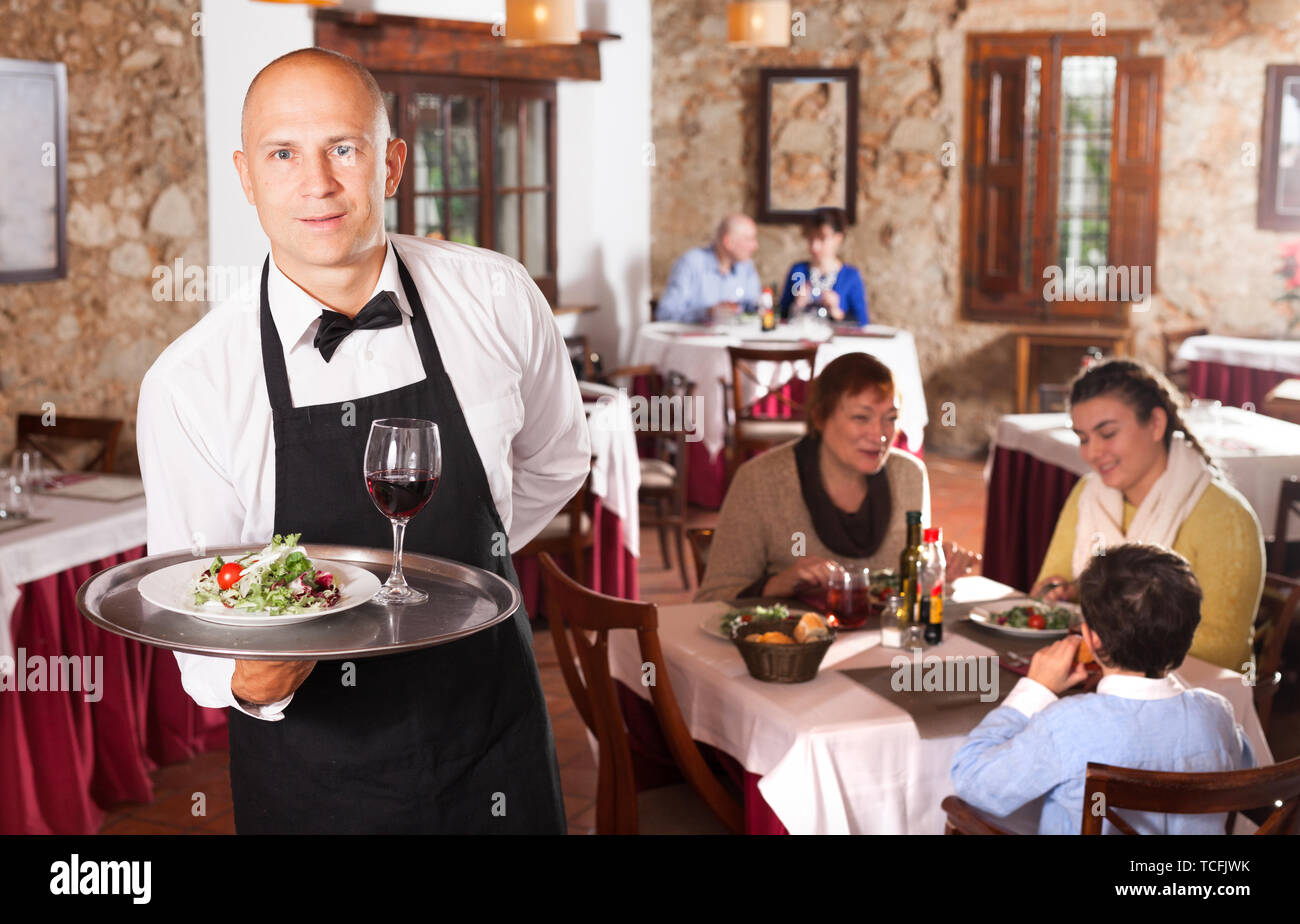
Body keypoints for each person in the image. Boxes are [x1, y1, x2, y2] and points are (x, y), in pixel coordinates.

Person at [135, 48, 590, 833]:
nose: (317, 183)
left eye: (343, 148)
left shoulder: (495, 295)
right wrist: (257, 678)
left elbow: (555, 460)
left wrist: (457, 573)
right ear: (246, 177)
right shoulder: (191, 384)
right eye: (284, 154)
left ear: (391, 164)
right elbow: (196, 623)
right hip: (318, 772)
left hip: (493, 732)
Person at [952, 544, 1256, 835]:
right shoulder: (1218, 714)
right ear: (1189, 633)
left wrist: (1036, 688)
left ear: (1091, 639)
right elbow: (1247, 784)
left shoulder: (1069, 724)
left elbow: (972, 780)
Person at [1030, 359, 1264, 673]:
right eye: (1084, 438)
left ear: (1156, 424)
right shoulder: (1086, 494)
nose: (1092, 453)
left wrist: (1111, 645)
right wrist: (1063, 591)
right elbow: (1045, 598)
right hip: (1103, 678)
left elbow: (1223, 648)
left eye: (1108, 433)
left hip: (1196, 695)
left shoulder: (1227, 517)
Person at [695, 353, 979, 602]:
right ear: (820, 417)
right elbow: (712, 599)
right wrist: (773, 585)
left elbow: (909, 587)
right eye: (861, 417)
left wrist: (936, 567)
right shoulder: (761, 481)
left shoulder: (909, 476)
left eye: (890, 418)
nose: (879, 435)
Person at [655, 214, 761, 323]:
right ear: (728, 242)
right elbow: (665, 314)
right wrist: (707, 312)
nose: (755, 246)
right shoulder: (691, 263)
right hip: (697, 339)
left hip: (737, 338)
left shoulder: (746, 267)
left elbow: (754, 307)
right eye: (749, 239)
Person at [778, 207, 868, 325]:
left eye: (822, 239)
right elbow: (781, 315)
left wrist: (836, 311)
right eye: (811, 239)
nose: (815, 246)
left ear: (838, 238)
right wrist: (797, 305)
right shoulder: (798, 273)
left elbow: (862, 322)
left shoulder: (850, 276)